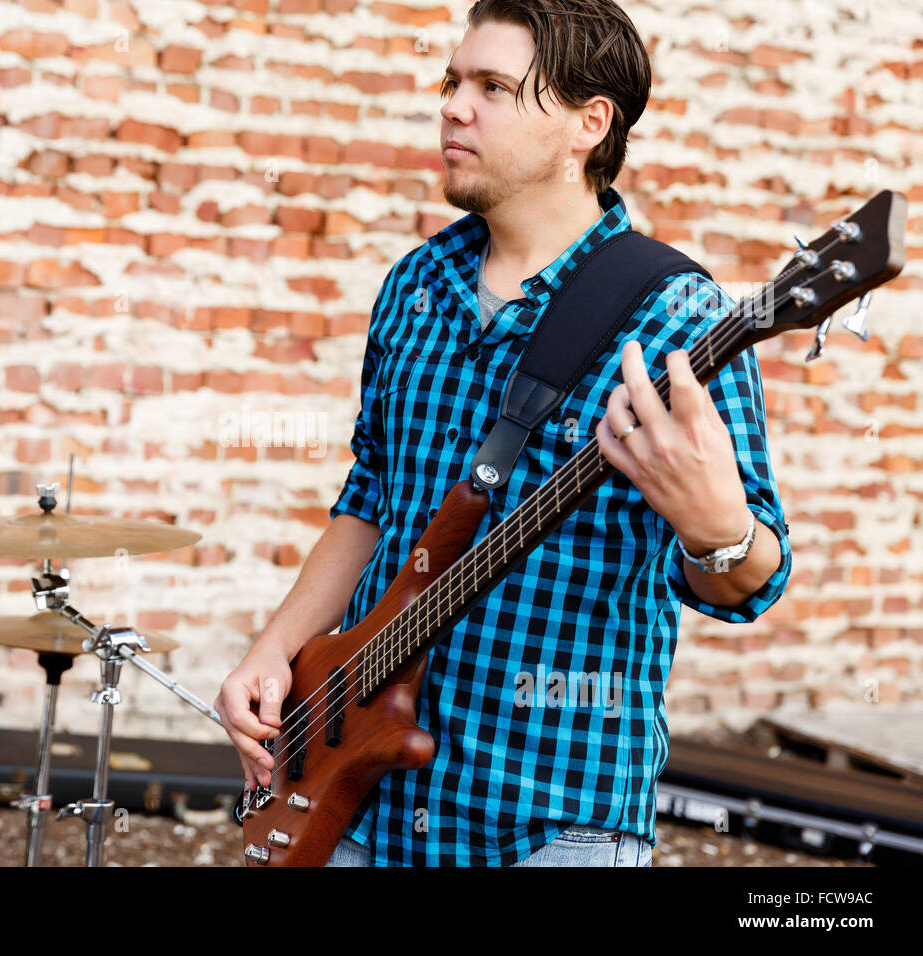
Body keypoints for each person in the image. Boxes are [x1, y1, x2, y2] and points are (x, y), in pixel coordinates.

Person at [216, 0, 790, 867]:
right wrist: (274, 649)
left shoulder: (677, 315)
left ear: (586, 125)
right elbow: (371, 496)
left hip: (550, 821)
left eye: (492, 86)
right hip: (359, 806)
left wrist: (717, 528)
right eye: (452, 81)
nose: (452, 105)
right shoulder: (416, 284)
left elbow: (751, 581)